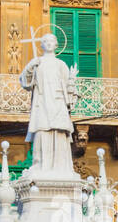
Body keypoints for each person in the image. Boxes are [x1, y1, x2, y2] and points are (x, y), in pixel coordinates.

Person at [19, 32, 78, 176]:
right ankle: (40, 164)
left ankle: (60, 165)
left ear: (57, 45)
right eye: (45, 41)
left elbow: (68, 87)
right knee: (42, 132)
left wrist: (72, 80)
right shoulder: (37, 62)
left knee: (58, 132)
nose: (49, 43)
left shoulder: (61, 65)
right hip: (42, 103)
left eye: (52, 41)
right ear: (41, 45)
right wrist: (30, 66)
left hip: (58, 103)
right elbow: (25, 82)